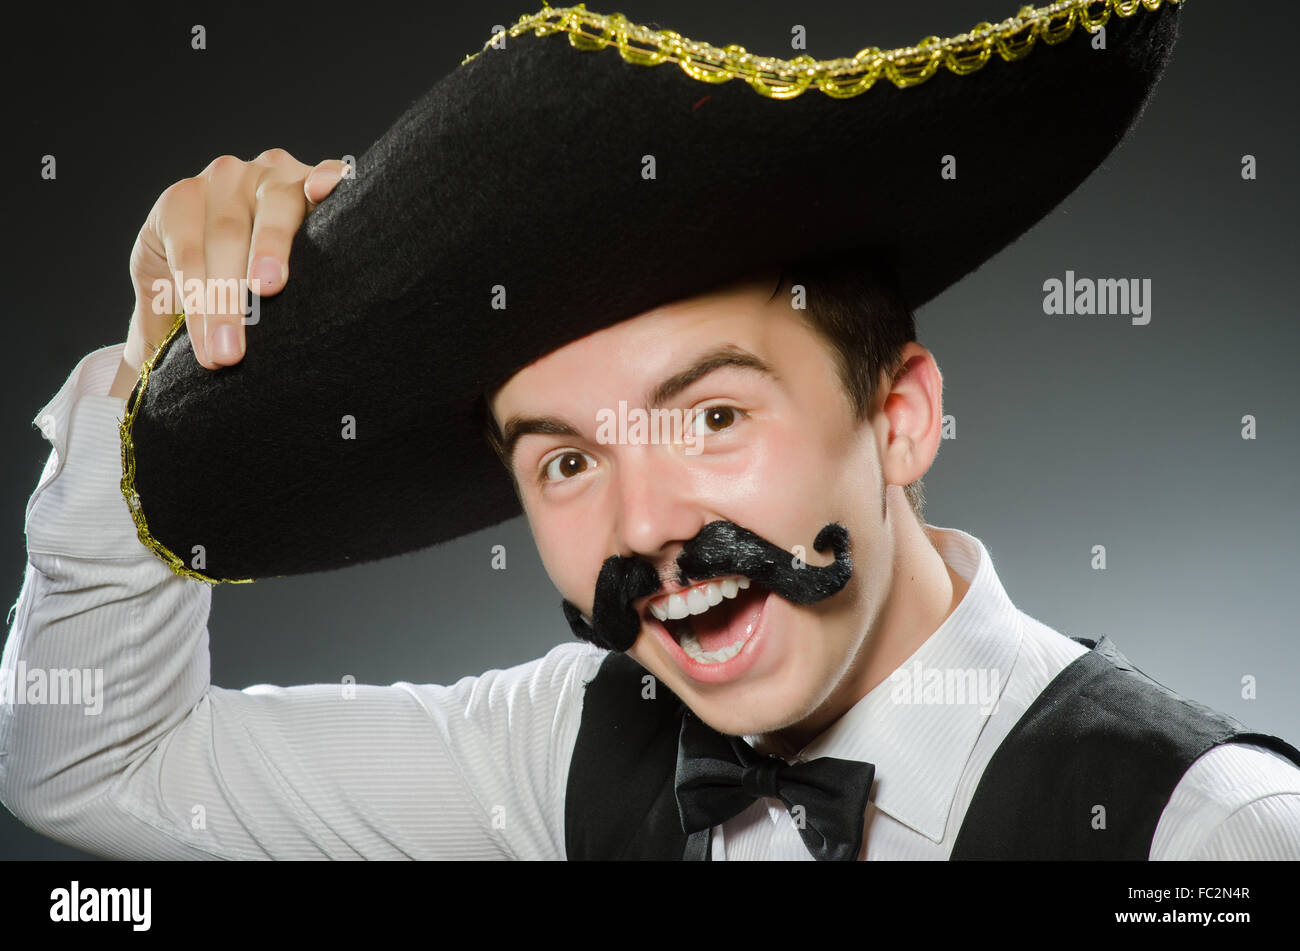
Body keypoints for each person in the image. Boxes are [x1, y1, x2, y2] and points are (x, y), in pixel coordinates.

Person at [4, 0, 1299, 860]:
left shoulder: (1211, 834)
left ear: (899, 417)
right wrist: (155, 363)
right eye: (568, 460)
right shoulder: (559, 751)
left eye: (715, 416)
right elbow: (97, 759)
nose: (649, 531)